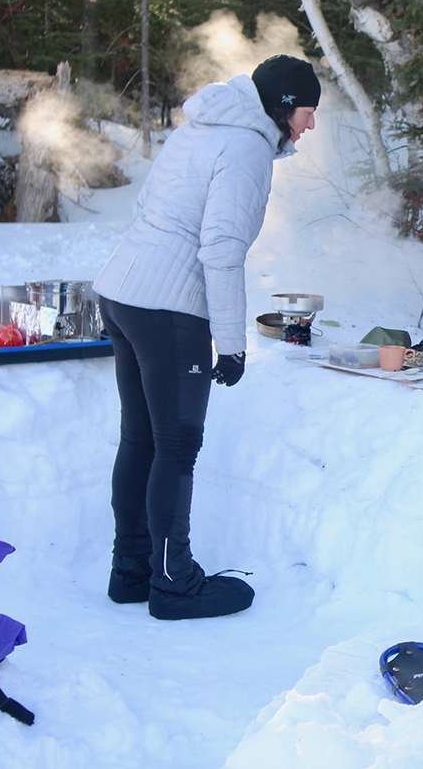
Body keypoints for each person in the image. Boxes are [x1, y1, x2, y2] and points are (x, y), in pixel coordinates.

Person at [93, 55, 320, 620]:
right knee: (175, 446)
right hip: (169, 309)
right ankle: (174, 585)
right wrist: (232, 343)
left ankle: (132, 571)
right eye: (307, 111)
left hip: (124, 293)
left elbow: (152, 209)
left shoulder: (207, 124)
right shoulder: (246, 149)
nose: (310, 125)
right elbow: (220, 250)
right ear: (283, 107)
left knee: (141, 439)